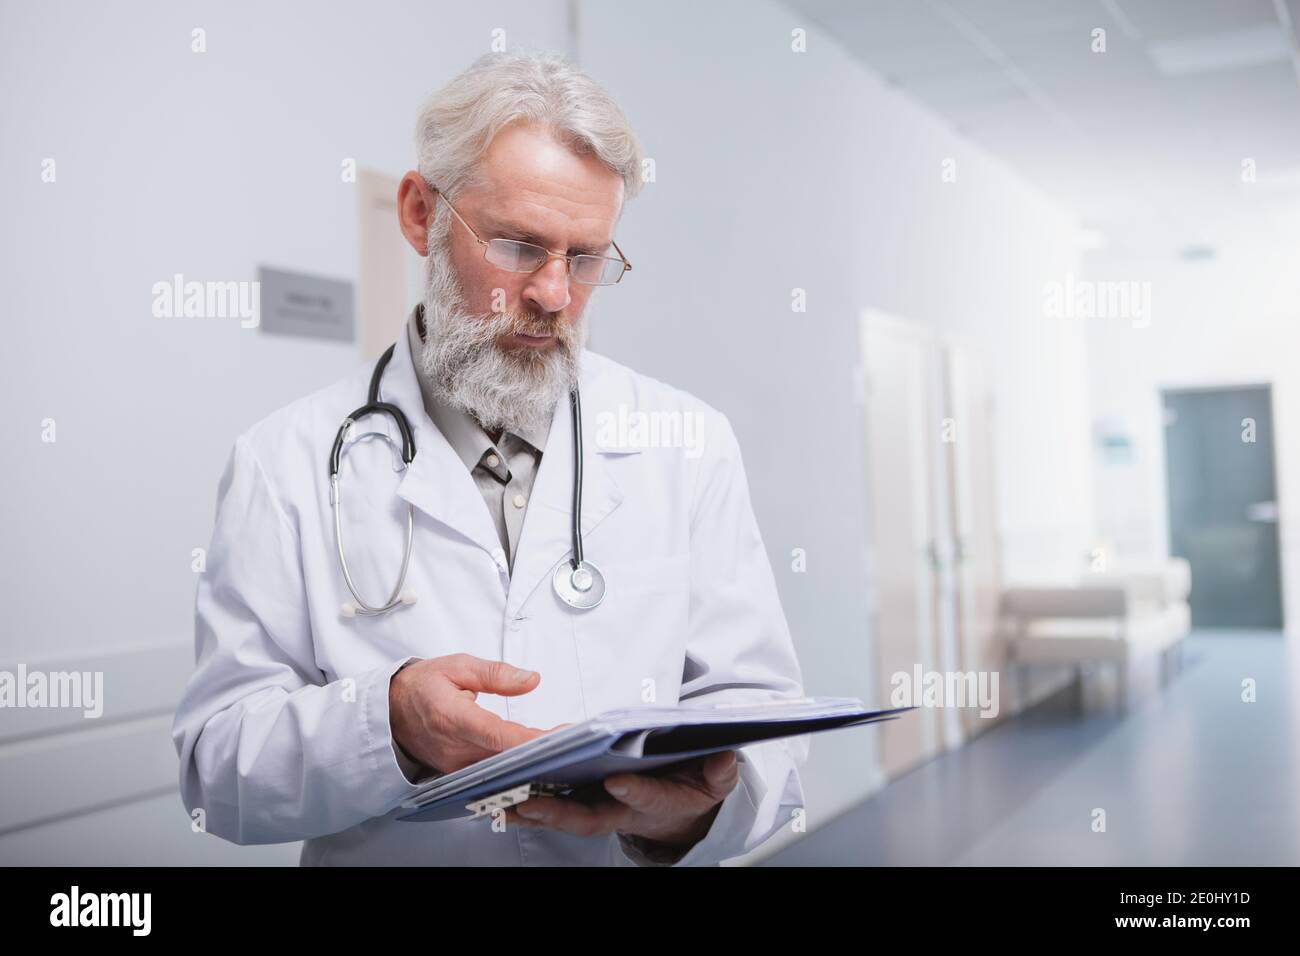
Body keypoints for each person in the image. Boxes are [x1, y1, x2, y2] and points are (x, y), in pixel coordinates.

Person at [172, 50, 807, 866]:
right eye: (517, 246)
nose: (553, 294)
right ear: (418, 214)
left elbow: (764, 725)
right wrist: (389, 725)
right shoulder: (283, 460)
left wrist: (677, 817)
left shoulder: (687, 444)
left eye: (585, 259)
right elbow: (217, 768)